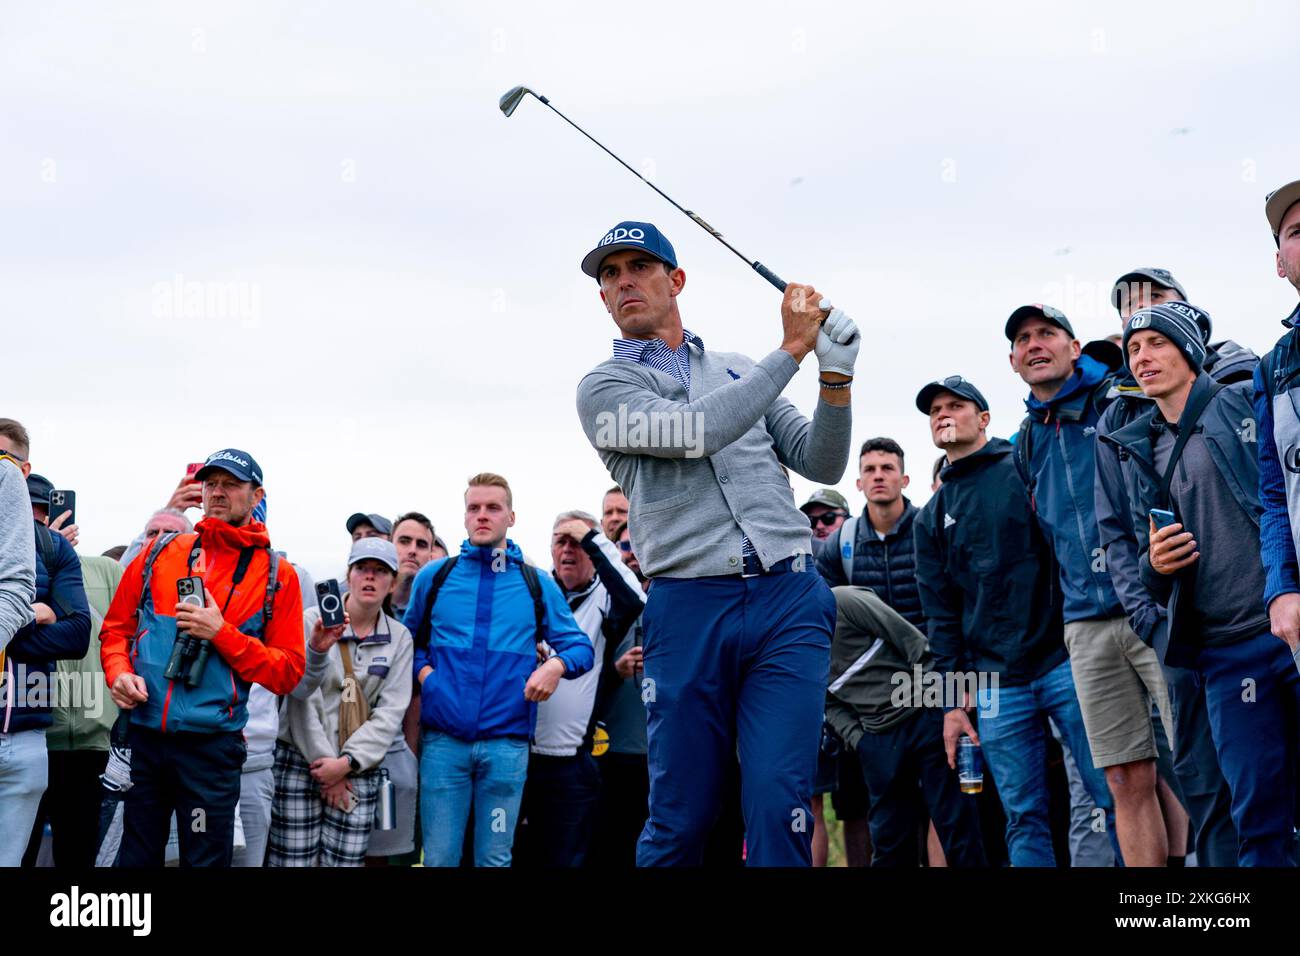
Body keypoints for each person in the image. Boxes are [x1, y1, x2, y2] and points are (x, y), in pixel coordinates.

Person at [574, 220, 857, 866]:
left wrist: (834, 379)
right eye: (609, 276)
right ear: (603, 299)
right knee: (685, 812)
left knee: (780, 802)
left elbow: (823, 460)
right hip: (689, 604)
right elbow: (696, 431)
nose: (623, 283)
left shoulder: (736, 366)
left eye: (638, 268)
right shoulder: (603, 390)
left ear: (675, 281)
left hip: (788, 597)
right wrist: (791, 351)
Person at [1107, 301, 1300, 866]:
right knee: (1256, 817)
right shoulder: (1138, 446)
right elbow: (1146, 558)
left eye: (1157, 343)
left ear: (1190, 350)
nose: (1143, 357)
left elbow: (1282, 501)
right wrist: (1155, 568)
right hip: (1222, 656)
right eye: (1133, 350)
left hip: (1285, 629)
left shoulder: (1244, 403)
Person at [911, 377, 1116, 866]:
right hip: (995, 683)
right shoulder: (931, 516)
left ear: (983, 418)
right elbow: (939, 617)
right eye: (935, 409)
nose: (943, 413)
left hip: (1064, 658)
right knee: (1023, 815)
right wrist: (950, 705)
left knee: (1111, 792)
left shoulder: (1021, 468)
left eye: (955, 405)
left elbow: (1064, 546)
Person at [1006, 304, 1172, 867]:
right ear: (1012, 361)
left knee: (1200, 759)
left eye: (1047, 333)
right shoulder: (1026, 439)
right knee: (1125, 776)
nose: (1034, 344)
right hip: (1084, 626)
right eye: (1023, 339)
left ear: (1075, 348)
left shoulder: (1120, 401)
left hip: (1156, 602)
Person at [99, 447, 305, 867]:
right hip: (146, 740)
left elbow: (287, 672)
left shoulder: (276, 575)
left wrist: (222, 634)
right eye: (211, 484)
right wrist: (118, 674)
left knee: (203, 862)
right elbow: (115, 630)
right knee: (134, 860)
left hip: (210, 750)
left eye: (231, 484)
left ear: (256, 494)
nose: (218, 492)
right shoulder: (159, 553)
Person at [1096, 270, 1240, 866]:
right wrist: (1151, 615)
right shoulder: (1117, 426)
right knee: (1201, 783)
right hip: (1178, 633)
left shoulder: (1243, 385)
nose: (1143, 342)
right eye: (1132, 333)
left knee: (1261, 788)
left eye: (1157, 318)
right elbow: (1120, 534)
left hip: (1256, 627)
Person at [405, 473, 593, 867]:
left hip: (506, 749)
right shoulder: (435, 578)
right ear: (465, 517)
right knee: (439, 858)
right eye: (474, 508)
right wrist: (429, 678)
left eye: (493, 508)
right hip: (443, 745)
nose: (482, 516)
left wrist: (555, 666)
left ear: (511, 516)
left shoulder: (535, 583)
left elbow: (580, 648)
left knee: (494, 858)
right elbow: (408, 647)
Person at [815, 436, 927, 866]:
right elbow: (825, 623)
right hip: (869, 710)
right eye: (870, 469)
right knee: (872, 815)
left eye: (887, 467)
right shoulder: (839, 545)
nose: (879, 475)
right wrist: (856, 733)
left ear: (904, 477)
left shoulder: (928, 527)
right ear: (859, 482)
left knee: (942, 811)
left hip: (930, 688)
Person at [269, 538, 414, 867]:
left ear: (392, 583)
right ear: (348, 575)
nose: (369, 577)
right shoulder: (312, 621)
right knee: (292, 861)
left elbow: (389, 713)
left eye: (380, 571)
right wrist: (326, 766)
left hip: (357, 766)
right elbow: (302, 699)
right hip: (301, 759)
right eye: (362, 568)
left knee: (345, 863)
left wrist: (345, 764)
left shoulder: (400, 638)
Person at [514, 511, 645, 867]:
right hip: (516, 756)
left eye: (578, 542)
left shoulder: (607, 598)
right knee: (512, 856)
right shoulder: (532, 590)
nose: (569, 549)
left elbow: (637, 599)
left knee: (567, 858)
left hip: (572, 764)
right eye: (561, 541)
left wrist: (594, 538)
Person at [824, 586, 986, 867]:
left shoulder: (845, 602)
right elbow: (825, 702)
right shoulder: (791, 641)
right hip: (877, 739)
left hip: (925, 717)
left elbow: (916, 645)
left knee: (957, 826)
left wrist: (939, 704)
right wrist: (860, 740)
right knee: (889, 842)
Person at [0, 420, 91, 867]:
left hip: (28, 734)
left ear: (23, 467)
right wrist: (30, 612)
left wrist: (8, 630)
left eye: (3, 461)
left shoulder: (52, 547)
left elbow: (76, 636)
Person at [22, 486, 124, 868]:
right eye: (26, 515)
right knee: (19, 854)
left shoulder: (105, 570)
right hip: (32, 737)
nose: (37, 524)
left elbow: (122, 639)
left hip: (92, 745)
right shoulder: (11, 571)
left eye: (43, 515)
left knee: (81, 859)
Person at [370, 510, 435, 864]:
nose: (412, 551)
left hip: (419, 750)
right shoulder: (364, 607)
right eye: (404, 541)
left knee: (405, 847)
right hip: (365, 751)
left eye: (421, 545)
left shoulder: (438, 610)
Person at [589, 520, 652, 867]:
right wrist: (616, 671)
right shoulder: (604, 604)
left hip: (663, 754)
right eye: (625, 547)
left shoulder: (675, 599)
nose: (633, 554)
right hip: (612, 751)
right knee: (613, 847)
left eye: (640, 544)